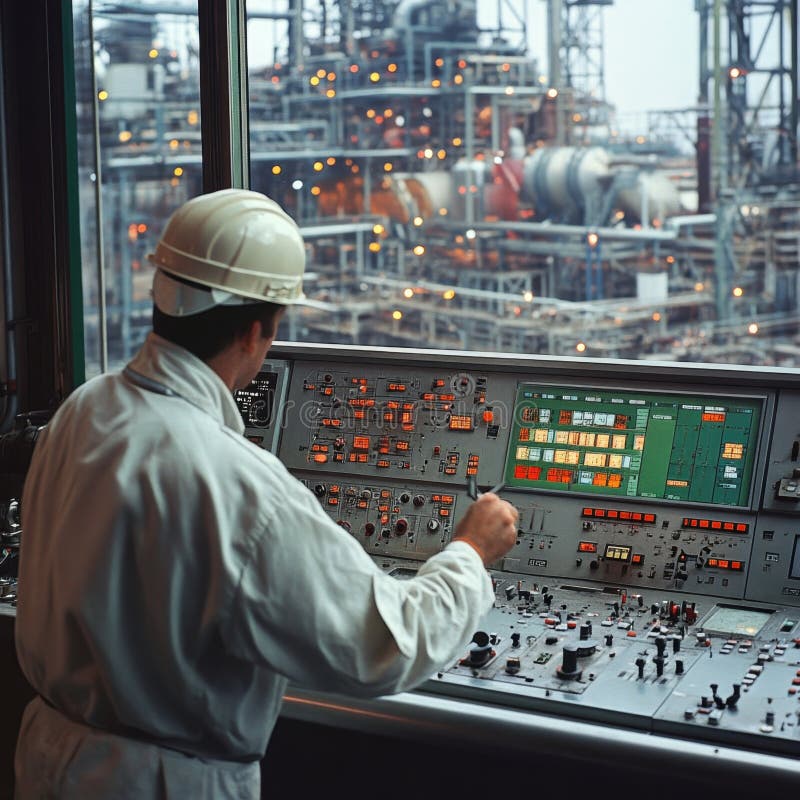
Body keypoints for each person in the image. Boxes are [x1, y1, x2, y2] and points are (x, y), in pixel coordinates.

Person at [13, 189, 518, 799]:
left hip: (48, 758)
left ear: (162, 294)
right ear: (257, 330)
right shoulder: (238, 484)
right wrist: (469, 551)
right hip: (161, 783)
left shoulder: (82, 410)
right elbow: (388, 645)